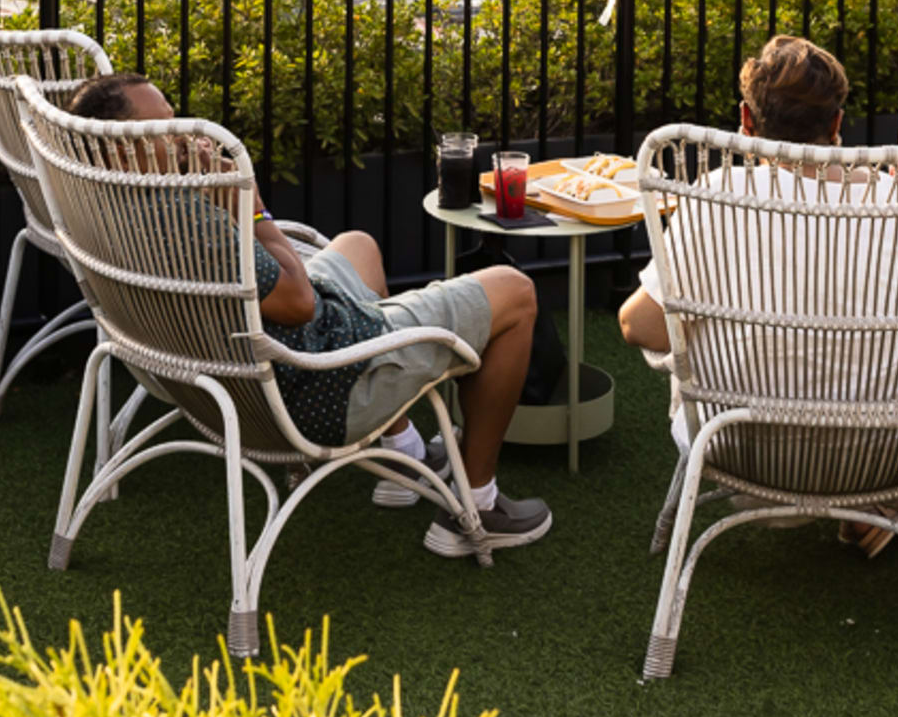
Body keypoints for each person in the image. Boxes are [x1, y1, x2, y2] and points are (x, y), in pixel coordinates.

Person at [56, 73, 550, 555]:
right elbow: (299, 303)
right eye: (164, 126)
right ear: (124, 147)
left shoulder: (104, 206)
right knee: (516, 291)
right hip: (318, 382)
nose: (184, 132)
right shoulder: (185, 218)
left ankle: (403, 458)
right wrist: (248, 206)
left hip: (217, 382)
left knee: (358, 246)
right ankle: (477, 508)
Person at [621, 35, 898, 541]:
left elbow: (638, 327)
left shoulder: (716, 197)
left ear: (747, 121)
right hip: (887, 452)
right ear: (837, 126)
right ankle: (882, 504)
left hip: (742, 446)